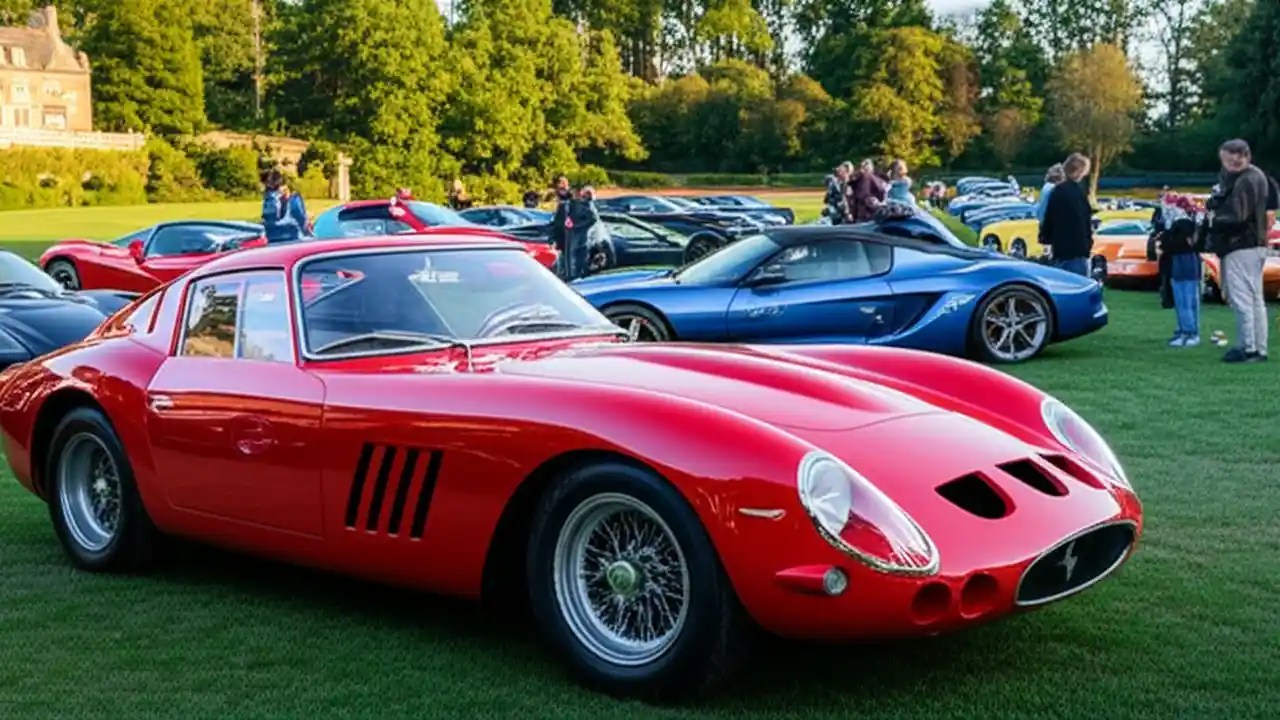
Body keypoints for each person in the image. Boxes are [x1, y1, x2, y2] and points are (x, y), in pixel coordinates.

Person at [1206, 139, 1270, 363]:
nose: (1234, 161)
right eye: (1230, 157)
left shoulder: (1248, 179)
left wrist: (1212, 218)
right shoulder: (1252, 176)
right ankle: (1257, 347)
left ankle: (1249, 347)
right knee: (1254, 299)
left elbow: (1238, 215)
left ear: (1247, 157)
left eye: (1239, 156)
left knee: (1243, 298)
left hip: (1242, 244)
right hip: (1253, 243)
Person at [1159, 194, 1204, 347]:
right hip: (1185, 263)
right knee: (1186, 299)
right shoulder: (1189, 223)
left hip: (1183, 263)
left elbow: (1173, 244)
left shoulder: (1183, 224)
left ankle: (1189, 332)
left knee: (1185, 299)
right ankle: (1186, 330)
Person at [1040, 153, 1094, 276]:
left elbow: (1049, 218)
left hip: (1059, 247)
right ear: (1079, 171)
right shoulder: (1079, 193)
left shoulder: (1057, 191)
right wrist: (1088, 243)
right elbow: (1085, 220)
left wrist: (1045, 237)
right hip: (1077, 247)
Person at [261, 168, 301, 244]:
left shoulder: (273, 198)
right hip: (283, 235)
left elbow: (273, 218)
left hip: (280, 236)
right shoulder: (274, 198)